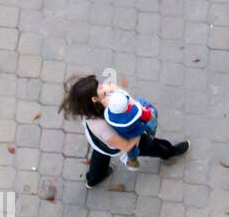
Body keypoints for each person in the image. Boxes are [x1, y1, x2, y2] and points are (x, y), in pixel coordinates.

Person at [58, 74, 189, 188]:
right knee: (152, 146)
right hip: (123, 140)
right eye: (100, 87)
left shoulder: (89, 109)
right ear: (94, 99)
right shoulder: (103, 127)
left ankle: (94, 178)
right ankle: (168, 152)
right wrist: (139, 130)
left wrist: (116, 91)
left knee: (100, 153)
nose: (104, 86)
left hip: (99, 141)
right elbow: (126, 145)